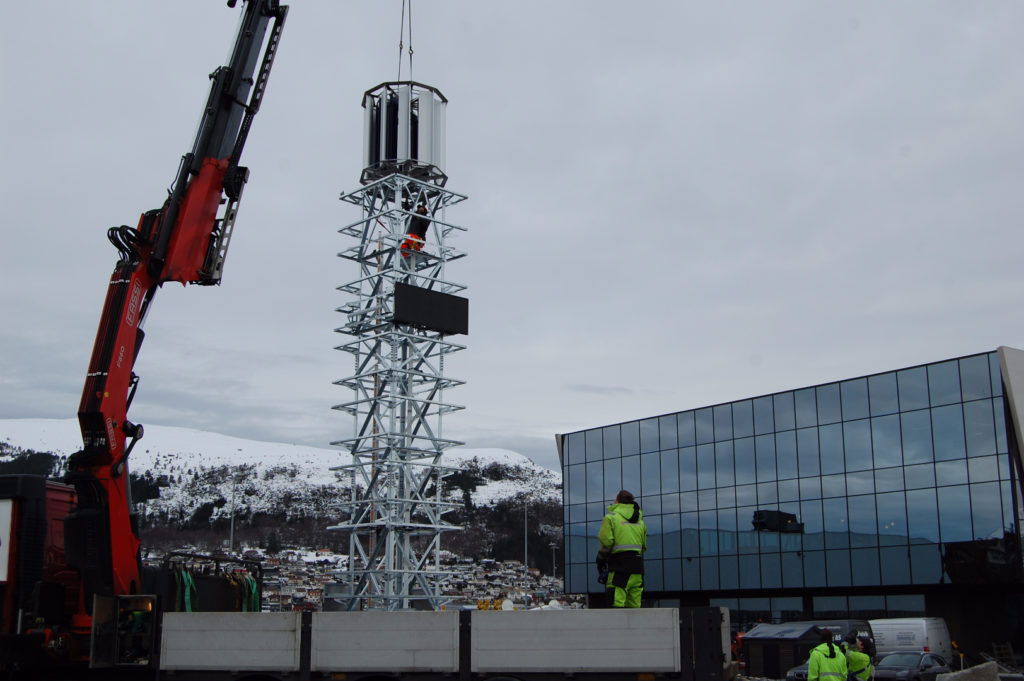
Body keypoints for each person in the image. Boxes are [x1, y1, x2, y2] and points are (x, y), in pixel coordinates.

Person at [595, 489, 647, 608]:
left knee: (616, 605)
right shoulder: (640, 521)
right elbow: (643, 546)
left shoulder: (611, 518)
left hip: (619, 569)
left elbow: (607, 543)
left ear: (617, 501)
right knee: (635, 608)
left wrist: (600, 560)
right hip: (638, 568)